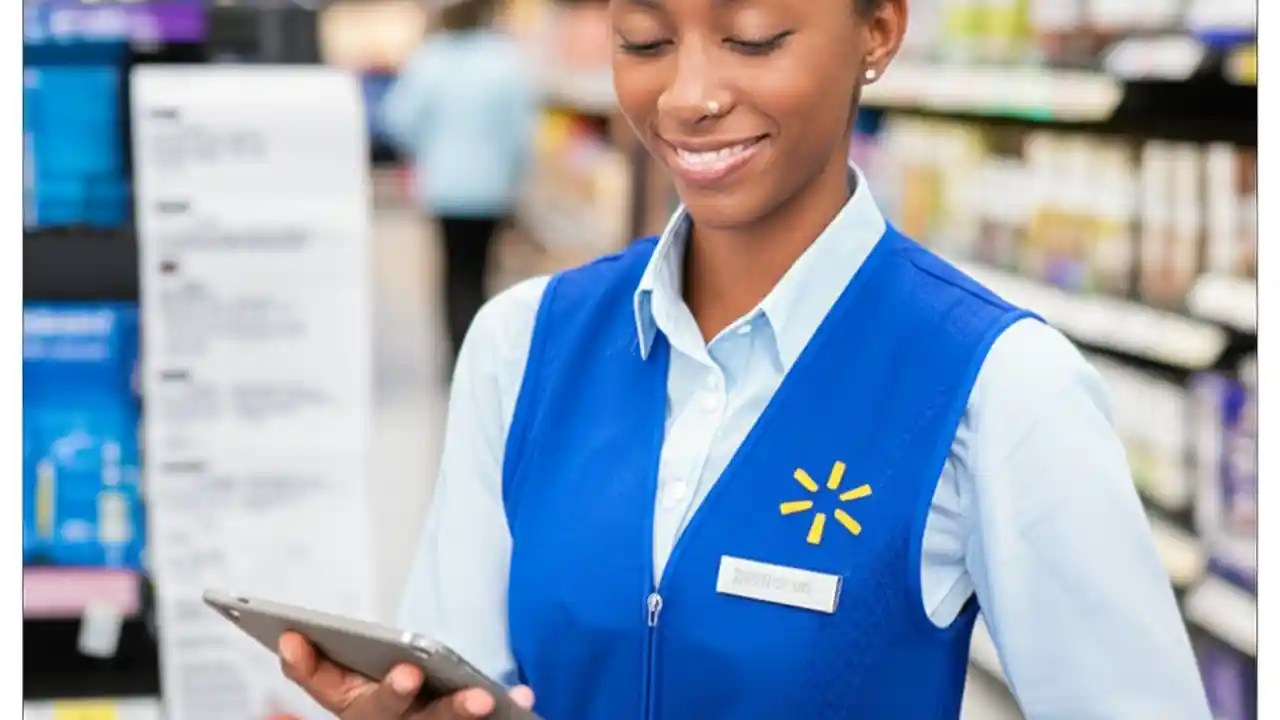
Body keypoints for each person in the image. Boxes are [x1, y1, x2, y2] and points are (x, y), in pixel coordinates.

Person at [280, 0, 1214, 717]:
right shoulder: (521, 344)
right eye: (646, 41)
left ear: (879, 31)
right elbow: (461, 669)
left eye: (755, 38)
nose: (688, 97)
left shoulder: (997, 383)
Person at [379, 0, 537, 366]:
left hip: (444, 186)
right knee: (481, 272)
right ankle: (480, 354)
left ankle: (457, 357)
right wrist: (516, 175)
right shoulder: (505, 59)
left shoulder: (430, 58)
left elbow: (398, 119)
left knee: (453, 272)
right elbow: (520, 132)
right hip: (493, 186)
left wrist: (426, 148)